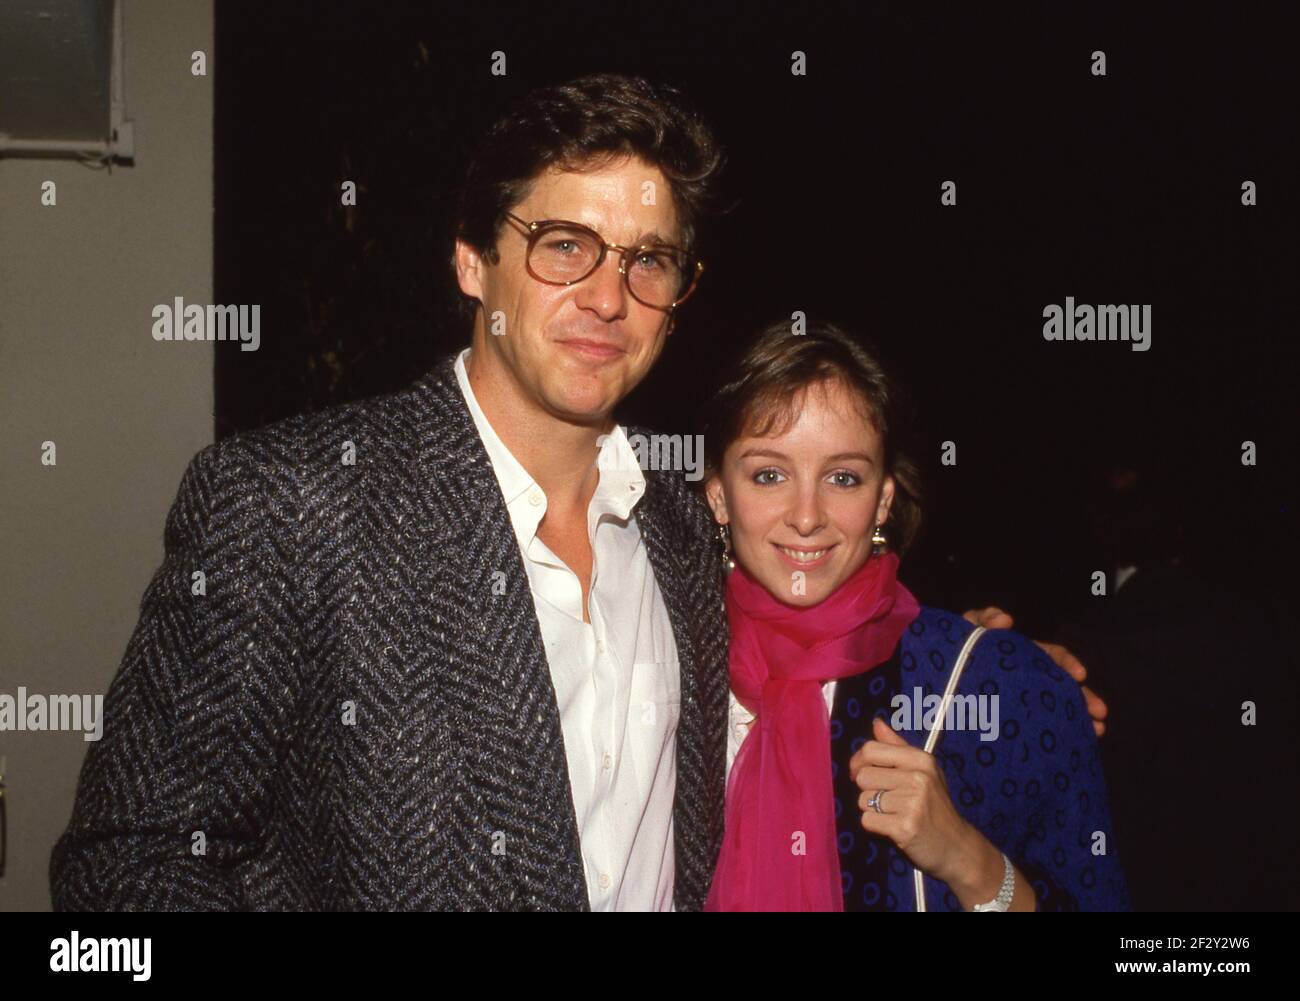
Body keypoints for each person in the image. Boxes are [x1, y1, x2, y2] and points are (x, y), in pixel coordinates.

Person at [50, 74, 1103, 911]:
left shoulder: (687, 538)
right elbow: (124, 870)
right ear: (472, 260)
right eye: (565, 247)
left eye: (649, 260)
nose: (608, 295)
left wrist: (1002, 679)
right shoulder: (285, 503)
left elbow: (815, 633)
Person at [701, 320, 1129, 911]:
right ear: (718, 494)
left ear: (882, 498)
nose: (806, 515)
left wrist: (967, 859)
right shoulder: (668, 659)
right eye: (769, 474)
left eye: (843, 477)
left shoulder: (994, 684)